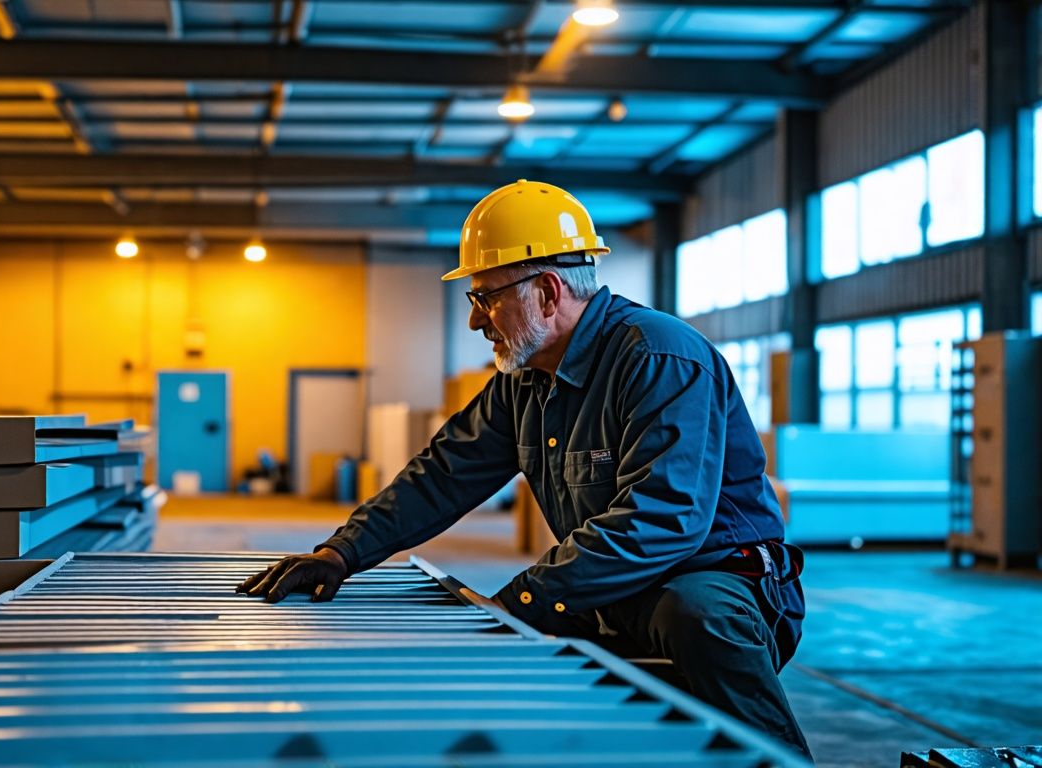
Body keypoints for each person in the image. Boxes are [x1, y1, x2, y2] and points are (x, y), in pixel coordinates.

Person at [237, 180, 811, 758]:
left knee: (693, 616)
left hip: (716, 579)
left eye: (484, 297)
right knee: (499, 668)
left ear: (547, 290)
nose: (475, 322)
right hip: (610, 585)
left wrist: (523, 600)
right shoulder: (524, 383)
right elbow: (443, 474)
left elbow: (666, 518)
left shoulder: (659, 356)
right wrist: (343, 553)